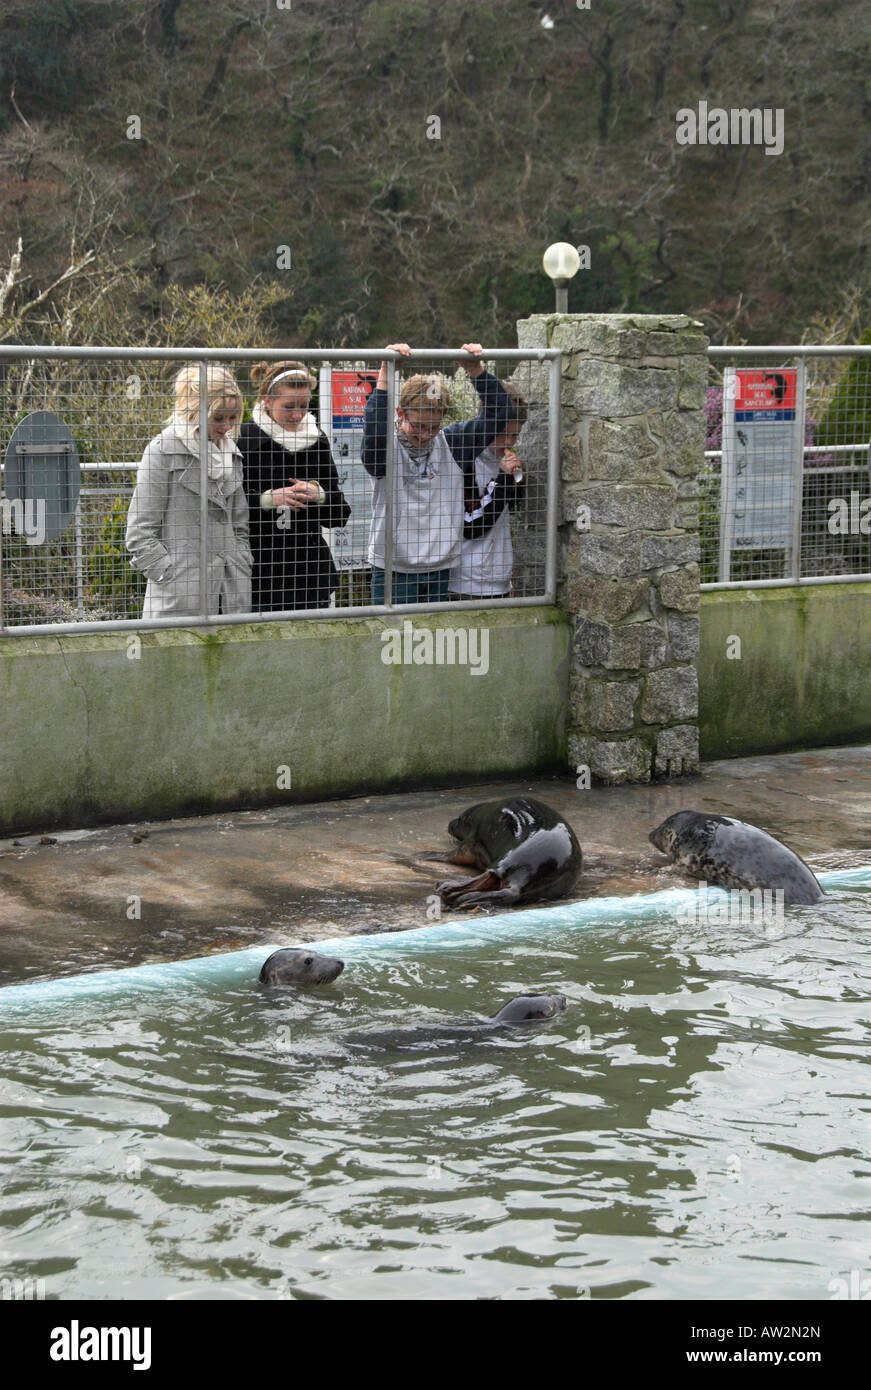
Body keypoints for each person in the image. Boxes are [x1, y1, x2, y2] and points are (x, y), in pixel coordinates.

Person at [361, 342, 510, 604]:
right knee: (390, 641)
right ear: (400, 413)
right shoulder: (384, 448)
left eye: (433, 427)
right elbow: (374, 425)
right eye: (417, 425)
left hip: (440, 569)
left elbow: (500, 414)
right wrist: (386, 370)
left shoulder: (451, 444)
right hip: (393, 568)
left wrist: (476, 371)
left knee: (431, 641)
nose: (424, 435)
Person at [125, 364, 252, 619]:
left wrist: (241, 562)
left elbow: (240, 527)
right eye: (218, 417)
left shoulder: (231, 455)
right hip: (179, 599)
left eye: (232, 417)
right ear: (196, 409)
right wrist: (168, 576)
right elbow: (139, 533)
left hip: (230, 595)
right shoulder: (161, 451)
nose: (227, 426)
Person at [238, 360, 351, 611]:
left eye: (304, 406)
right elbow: (224, 509)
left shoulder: (317, 439)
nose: (298, 415)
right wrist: (267, 500)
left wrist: (319, 495)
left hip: (310, 578)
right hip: (259, 578)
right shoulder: (242, 439)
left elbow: (341, 513)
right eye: (289, 406)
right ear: (267, 401)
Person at [448, 384, 528, 599]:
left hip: (500, 579)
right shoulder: (466, 460)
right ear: (486, 424)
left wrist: (517, 483)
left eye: (515, 434)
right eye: (502, 434)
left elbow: (510, 508)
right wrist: (502, 480)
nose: (509, 442)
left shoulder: (503, 461)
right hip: (466, 583)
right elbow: (471, 525)